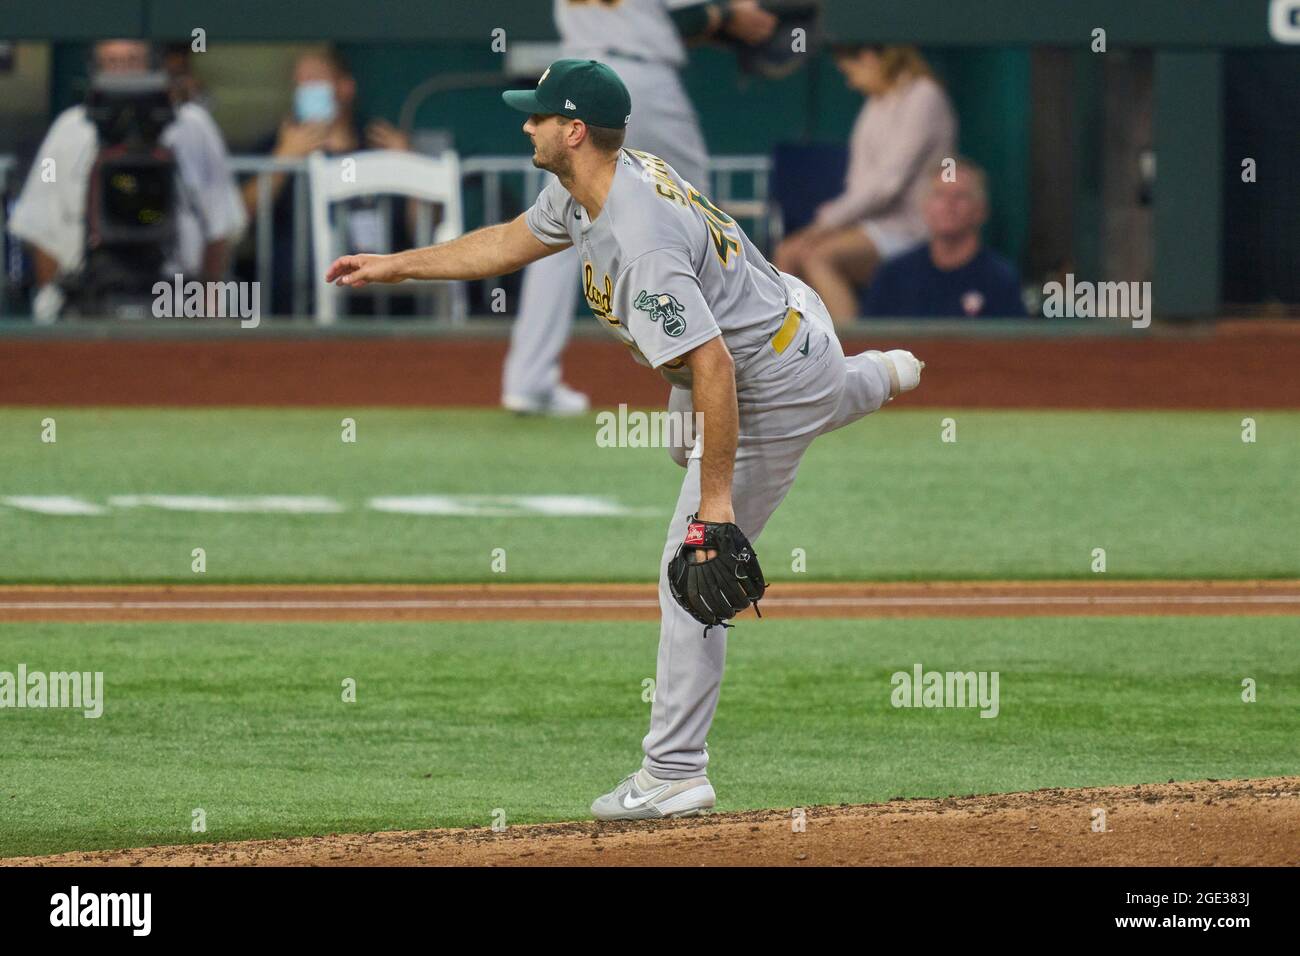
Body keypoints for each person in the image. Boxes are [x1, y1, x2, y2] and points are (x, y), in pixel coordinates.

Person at [326, 60, 925, 821]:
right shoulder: (600, 180)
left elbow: (712, 367)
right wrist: (397, 267)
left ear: (573, 132)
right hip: (782, 330)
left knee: (690, 570)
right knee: (704, 434)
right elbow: (511, 241)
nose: (525, 125)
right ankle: (870, 378)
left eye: (537, 116)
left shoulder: (637, 239)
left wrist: (716, 510)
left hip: (763, 381)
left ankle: (675, 771)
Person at [501, 0, 780, 416]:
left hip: (576, 81)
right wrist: (731, 15)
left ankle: (528, 379)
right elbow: (688, 17)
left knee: (556, 228)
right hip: (639, 81)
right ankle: (762, 360)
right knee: (701, 215)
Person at [9, 39, 246, 322]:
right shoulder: (67, 129)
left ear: (153, 66)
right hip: (88, 296)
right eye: (112, 62)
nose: (122, 73)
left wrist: (206, 303)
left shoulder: (194, 128)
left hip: (175, 297)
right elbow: (40, 222)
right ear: (94, 69)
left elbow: (219, 224)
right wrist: (55, 300)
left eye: (132, 61)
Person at [774, 44, 956, 325]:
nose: (850, 82)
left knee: (818, 256)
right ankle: (795, 352)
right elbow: (860, 183)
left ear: (870, 58)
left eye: (851, 71)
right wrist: (831, 221)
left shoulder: (924, 96)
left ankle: (850, 352)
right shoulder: (876, 102)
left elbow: (888, 185)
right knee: (788, 252)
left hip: (913, 228)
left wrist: (827, 223)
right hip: (870, 225)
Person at [235, 47, 416, 317]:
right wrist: (282, 160)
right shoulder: (276, 145)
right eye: (300, 84)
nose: (305, 90)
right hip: (292, 308)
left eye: (315, 80)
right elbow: (238, 215)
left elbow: (425, 227)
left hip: (380, 308)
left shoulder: (379, 144)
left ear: (345, 87)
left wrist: (409, 167)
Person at [863, 159, 1027, 318]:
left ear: (980, 210)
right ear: (925, 207)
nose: (949, 204)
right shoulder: (894, 275)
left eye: (960, 196)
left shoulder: (1000, 280)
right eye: (939, 195)